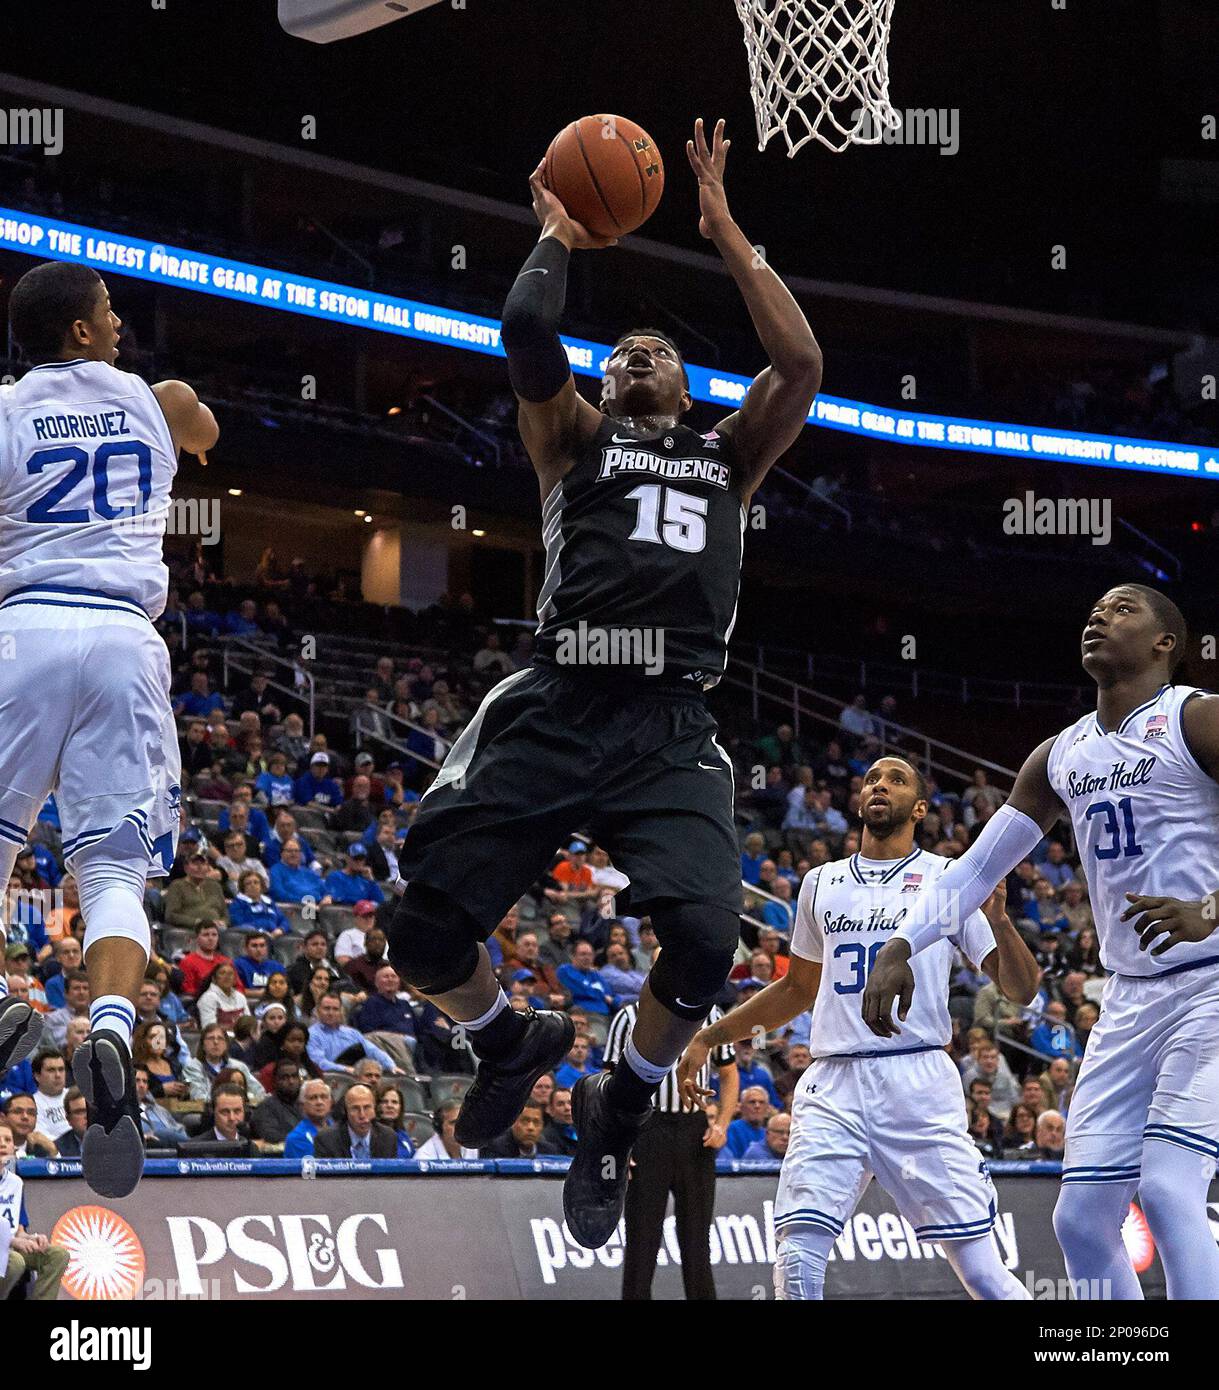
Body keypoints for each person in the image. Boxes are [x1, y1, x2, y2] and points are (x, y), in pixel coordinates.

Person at [387, 117, 822, 1251]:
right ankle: (502, 1040)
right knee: (419, 935)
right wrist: (556, 231)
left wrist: (724, 230)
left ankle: (616, 1106)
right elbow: (529, 326)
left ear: (685, 380)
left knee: (707, 933)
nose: (634, 357)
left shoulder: (731, 453)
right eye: (621, 350)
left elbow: (803, 365)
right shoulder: (570, 436)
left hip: (669, 721)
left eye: (655, 351)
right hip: (556, 696)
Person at [863, 585, 1219, 1301]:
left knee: (1167, 1187)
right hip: (1127, 1000)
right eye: (1092, 608)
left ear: (1164, 644)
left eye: (1122, 609)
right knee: (1082, 1219)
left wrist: (1211, 907)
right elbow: (973, 871)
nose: (1097, 615)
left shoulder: (1197, 716)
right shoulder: (1060, 754)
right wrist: (901, 944)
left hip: (1211, 982)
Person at [682, 755, 1040, 1301]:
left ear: (920, 808)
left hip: (917, 1081)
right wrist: (712, 1035)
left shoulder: (950, 880)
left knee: (983, 1274)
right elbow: (797, 990)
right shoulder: (820, 883)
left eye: (896, 780)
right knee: (798, 1256)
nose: (880, 785)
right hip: (834, 1082)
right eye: (872, 778)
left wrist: (1000, 921)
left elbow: (1021, 988)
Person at [608, 997, 738, 1301]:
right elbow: (610, 1082)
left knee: (697, 1240)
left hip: (695, 1132)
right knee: (642, 1239)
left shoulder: (712, 1013)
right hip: (645, 1130)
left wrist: (722, 1124)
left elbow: (729, 1072)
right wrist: (617, 1142)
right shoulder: (629, 1016)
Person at [0, 1120, 70, 1299]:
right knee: (14, 1261)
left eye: (7, 1140)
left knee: (56, 1255)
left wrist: (32, 1238)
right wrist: (12, 1242)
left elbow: (19, 1230)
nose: (2, 1144)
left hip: (9, 1245)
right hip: (6, 1248)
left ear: (14, 1148)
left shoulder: (15, 1183)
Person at [307, 993, 401, 1075]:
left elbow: (373, 1050)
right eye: (327, 1009)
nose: (331, 1013)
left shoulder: (352, 1033)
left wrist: (391, 1066)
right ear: (318, 1010)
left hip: (357, 1077)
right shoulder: (312, 1034)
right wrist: (346, 1070)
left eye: (335, 1009)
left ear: (341, 1011)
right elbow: (318, 1062)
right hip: (332, 1078)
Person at [313, 1082, 398, 1158]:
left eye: (367, 1108)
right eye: (355, 1108)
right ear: (346, 1112)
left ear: (375, 1109)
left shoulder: (388, 1137)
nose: (362, 1115)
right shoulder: (326, 1140)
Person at [249, 1059, 304, 1149]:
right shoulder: (265, 1108)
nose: (291, 1081)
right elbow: (271, 1136)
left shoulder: (306, 1105)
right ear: (275, 1081)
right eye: (285, 1077)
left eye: (294, 1076)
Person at [478, 1101, 557, 1159]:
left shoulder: (550, 1151)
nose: (531, 1127)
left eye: (536, 1122)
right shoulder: (496, 1148)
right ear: (513, 1122)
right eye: (525, 1121)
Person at [132, 1065, 188, 1147]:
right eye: (137, 1080)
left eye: (145, 1081)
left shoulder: (159, 1110)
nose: (142, 1085)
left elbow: (180, 1130)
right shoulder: (123, 1112)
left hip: (172, 1152)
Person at [283, 1077, 333, 1158]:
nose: (319, 1102)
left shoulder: (341, 1131)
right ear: (302, 1105)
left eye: (323, 1097)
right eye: (313, 1098)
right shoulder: (296, 1139)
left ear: (330, 1103)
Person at [414, 1099, 479, 1162]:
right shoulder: (424, 1159)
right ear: (439, 1126)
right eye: (453, 1122)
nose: (461, 1127)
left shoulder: (473, 1146)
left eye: (464, 1122)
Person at [31, 1049, 70, 1141]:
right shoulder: (32, 1103)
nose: (58, 1075)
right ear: (37, 1076)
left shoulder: (76, 1097)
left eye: (61, 1069)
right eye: (51, 1070)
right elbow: (42, 1137)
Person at [373, 1081, 416, 1158]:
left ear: (400, 1108)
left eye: (394, 1102)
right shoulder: (369, 1135)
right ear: (376, 1105)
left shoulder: (403, 1135)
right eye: (384, 1102)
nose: (390, 1106)